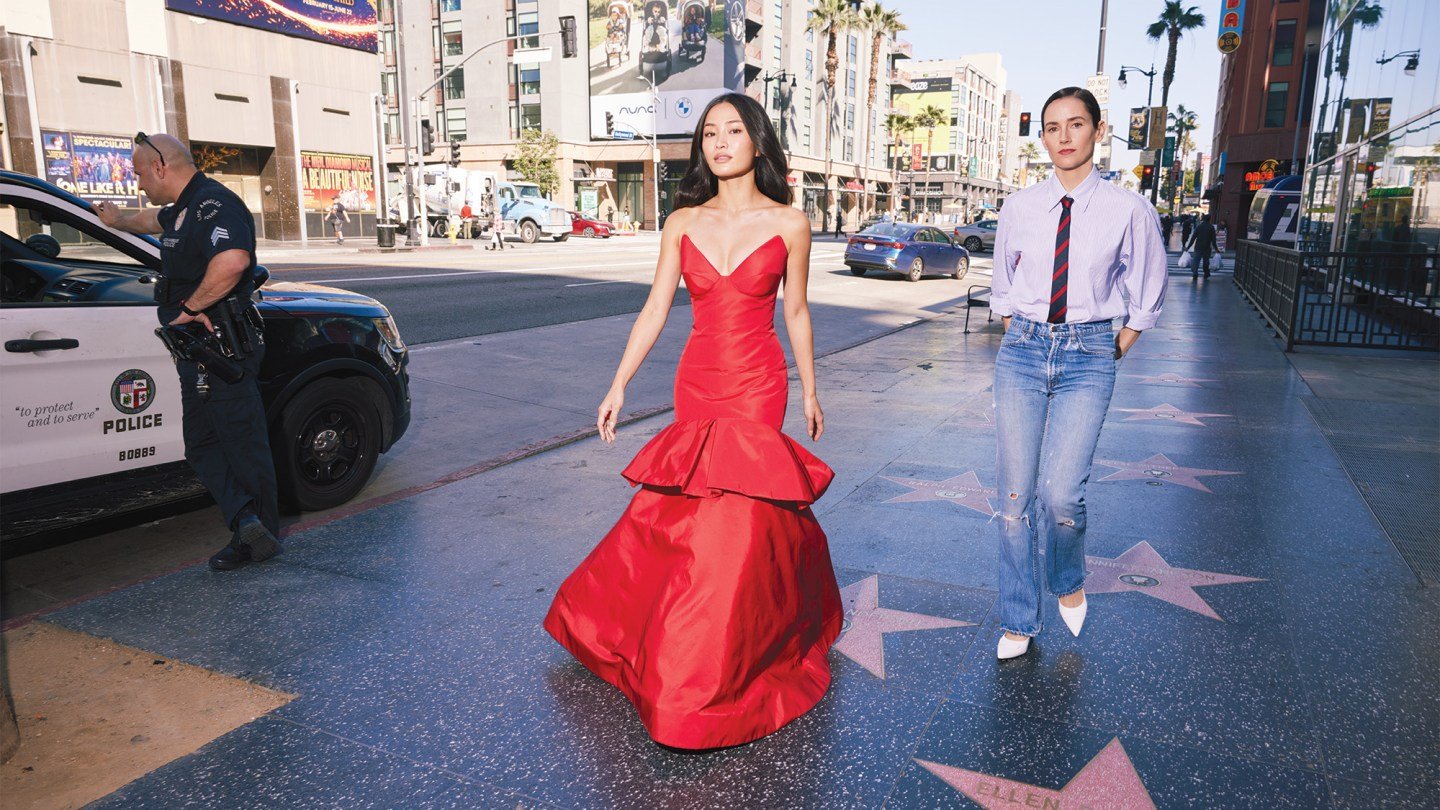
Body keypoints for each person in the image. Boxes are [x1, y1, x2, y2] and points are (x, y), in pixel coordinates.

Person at [544, 92, 840, 749]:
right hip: (698, 381)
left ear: (758, 143)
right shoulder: (681, 222)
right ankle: (659, 636)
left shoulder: (792, 223)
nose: (720, 141)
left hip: (758, 384)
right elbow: (654, 308)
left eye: (734, 130)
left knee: (739, 521)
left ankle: (716, 664)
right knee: (687, 515)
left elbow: (795, 312)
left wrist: (812, 389)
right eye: (710, 132)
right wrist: (618, 384)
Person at [989, 88, 1167, 660]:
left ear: (1097, 130)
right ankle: (1019, 617)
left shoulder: (1128, 209)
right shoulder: (1018, 207)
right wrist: (1019, 325)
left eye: (1075, 124)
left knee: (1061, 495)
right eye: (1051, 127)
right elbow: (1002, 282)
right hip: (1022, 349)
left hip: (1089, 352)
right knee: (1015, 497)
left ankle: (1067, 579)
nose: (1063, 137)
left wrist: (1121, 340)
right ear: (1041, 136)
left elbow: (1148, 284)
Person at [95, 133, 280, 572]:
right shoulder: (183, 208)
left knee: (242, 445)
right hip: (197, 352)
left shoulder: (214, 203)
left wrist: (188, 309)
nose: (138, 182)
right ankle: (247, 519)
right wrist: (117, 220)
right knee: (200, 445)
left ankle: (259, 536)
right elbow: (151, 221)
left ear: (161, 167)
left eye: (140, 173)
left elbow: (233, 261)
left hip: (222, 348)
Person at [1185, 214, 1219, 279]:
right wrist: (1216, 249)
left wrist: (1188, 247)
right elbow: (1213, 240)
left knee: (1196, 260)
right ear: (1209, 219)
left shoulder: (1199, 226)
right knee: (1206, 261)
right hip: (1207, 247)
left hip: (1198, 247)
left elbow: (1193, 237)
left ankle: (1195, 273)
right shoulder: (1211, 227)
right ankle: (1206, 273)